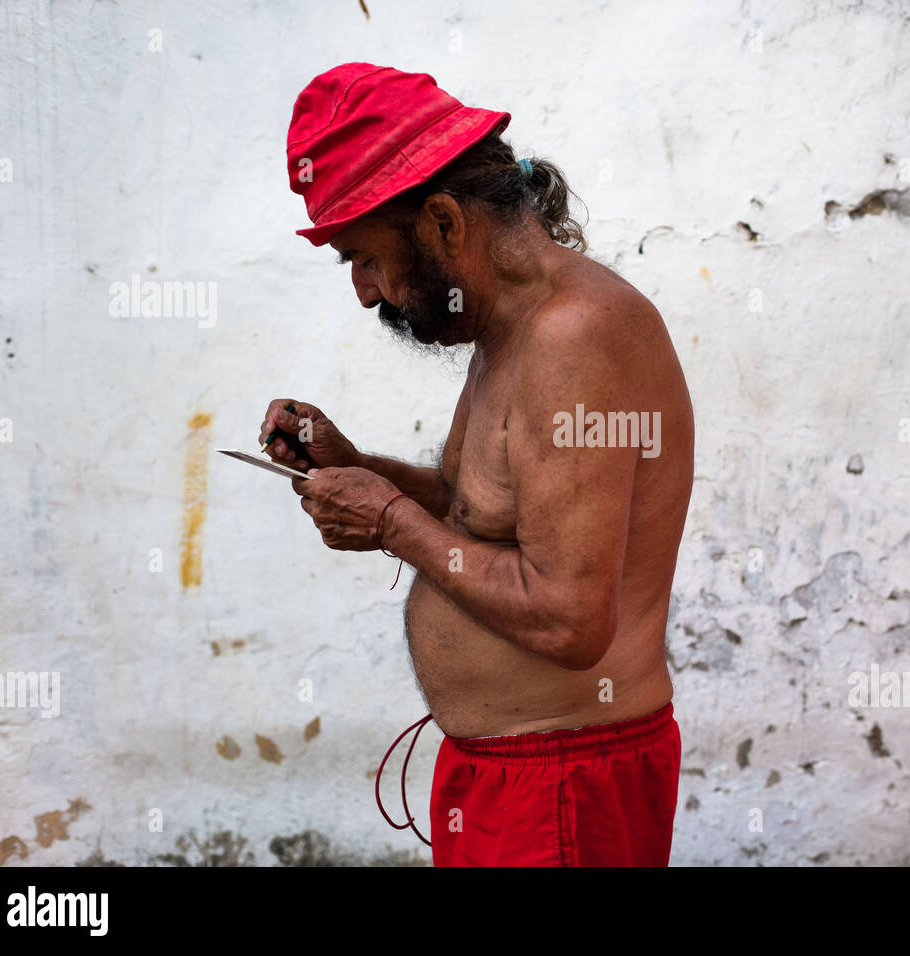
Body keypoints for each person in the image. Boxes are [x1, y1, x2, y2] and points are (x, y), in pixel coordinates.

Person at [262, 63, 694, 866]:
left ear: (443, 223)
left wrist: (389, 521)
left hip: (562, 790)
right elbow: (481, 512)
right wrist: (360, 469)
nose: (364, 293)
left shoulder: (575, 336)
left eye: (365, 257)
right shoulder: (513, 328)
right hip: (517, 780)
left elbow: (568, 620)